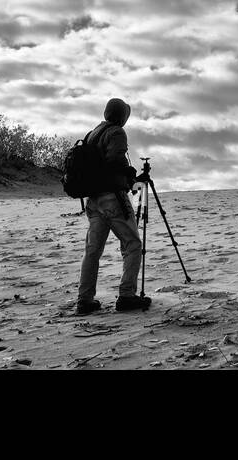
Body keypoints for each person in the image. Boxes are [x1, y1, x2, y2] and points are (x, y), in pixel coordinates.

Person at [75, 97, 150, 315]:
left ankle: (85, 300)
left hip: (94, 200)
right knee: (133, 244)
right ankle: (127, 295)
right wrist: (131, 175)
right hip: (112, 198)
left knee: (92, 251)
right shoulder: (117, 132)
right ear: (121, 116)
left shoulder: (93, 133)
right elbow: (115, 161)